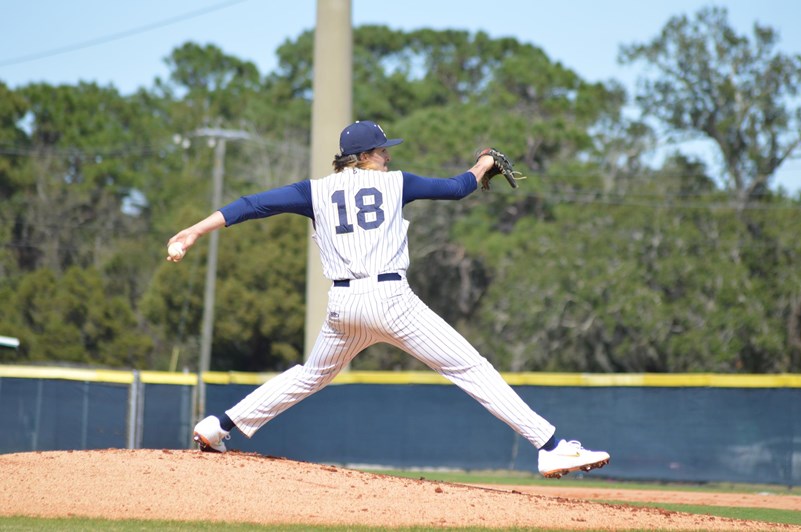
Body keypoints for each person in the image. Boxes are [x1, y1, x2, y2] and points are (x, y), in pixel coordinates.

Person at [167, 120, 610, 478]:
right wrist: (483, 164)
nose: (387, 155)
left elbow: (251, 204)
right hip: (390, 300)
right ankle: (550, 447)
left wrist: (192, 231)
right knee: (470, 367)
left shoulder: (313, 191)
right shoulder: (396, 183)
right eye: (380, 150)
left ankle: (217, 425)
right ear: (361, 158)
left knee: (309, 375)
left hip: (343, 307)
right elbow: (457, 188)